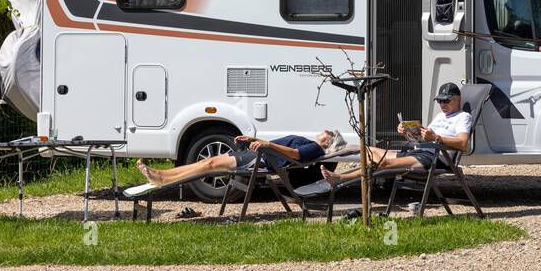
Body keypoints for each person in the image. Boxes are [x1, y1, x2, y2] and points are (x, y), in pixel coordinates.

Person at [320, 82, 471, 187]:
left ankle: (340, 178)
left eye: (446, 100)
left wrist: (436, 138)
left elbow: (464, 144)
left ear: (458, 99)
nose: (442, 104)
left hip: (433, 158)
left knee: (382, 163)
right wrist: (408, 133)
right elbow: (420, 140)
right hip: (418, 151)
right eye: (439, 101)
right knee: (367, 150)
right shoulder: (439, 116)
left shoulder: (463, 117)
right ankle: (373, 169)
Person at [135, 128, 350, 186]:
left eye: (329, 133)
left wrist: (267, 144)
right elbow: (283, 148)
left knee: (210, 163)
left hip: (260, 160)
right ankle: (162, 175)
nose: (324, 131)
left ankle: (163, 179)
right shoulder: (310, 142)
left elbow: (295, 155)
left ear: (328, 142)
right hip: (258, 154)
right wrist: (253, 139)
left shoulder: (315, 149)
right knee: (206, 162)